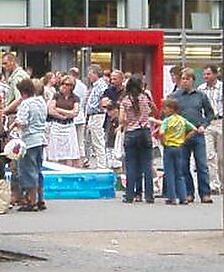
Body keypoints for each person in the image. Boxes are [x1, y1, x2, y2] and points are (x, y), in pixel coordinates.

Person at [169, 69, 214, 204]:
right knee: (183, 165)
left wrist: (204, 125)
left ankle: (205, 193)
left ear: (193, 80)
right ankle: (188, 192)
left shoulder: (201, 96)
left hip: (197, 133)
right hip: (181, 135)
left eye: (188, 79)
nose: (185, 81)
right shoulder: (174, 96)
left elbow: (210, 113)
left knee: (202, 164)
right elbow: (168, 115)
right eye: (183, 78)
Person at [11, 79, 47, 211]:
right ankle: (40, 199)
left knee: (27, 171)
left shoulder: (25, 104)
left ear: (23, 92)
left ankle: (31, 201)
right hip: (41, 139)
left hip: (29, 141)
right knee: (38, 170)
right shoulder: (41, 101)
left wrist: (15, 123)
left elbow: (23, 122)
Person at [118, 75, 156, 203]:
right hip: (145, 132)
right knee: (147, 165)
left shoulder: (125, 100)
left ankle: (130, 195)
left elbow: (121, 119)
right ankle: (149, 196)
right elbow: (152, 111)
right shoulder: (145, 98)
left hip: (131, 133)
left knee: (131, 165)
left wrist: (126, 122)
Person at [153, 97, 193, 204]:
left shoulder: (167, 121)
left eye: (164, 108)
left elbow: (161, 133)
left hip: (169, 147)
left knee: (169, 173)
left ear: (170, 109)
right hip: (179, 147)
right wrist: (184, 138)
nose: (163, 111)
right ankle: (183, 197)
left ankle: (172, 197)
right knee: (179, 174)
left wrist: (163, 141)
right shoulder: (181, 120)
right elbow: (193, 129)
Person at [197, 65, 224, 193]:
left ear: (215, 74)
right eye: (204, 74)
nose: (205, 77)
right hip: (208, 123)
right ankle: (214, 184)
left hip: (222, 121)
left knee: (222, 156)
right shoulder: (201, 89)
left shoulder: (223, 87)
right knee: (209, 156)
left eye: (208, 74)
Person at [46, 74, 82, 168]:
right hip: (57, 125)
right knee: (57, 152)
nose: (64, 86)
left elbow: (75, 113)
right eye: (63, 84)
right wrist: (62, 116)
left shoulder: (75, 97)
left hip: (69, 126)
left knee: (71, 152)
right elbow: (50, 110)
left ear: (72, 86)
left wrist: (59, 110)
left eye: (67, 84)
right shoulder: (56, 95)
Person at [83, 65, 110, 169]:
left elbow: (104, 98)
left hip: (97, 115)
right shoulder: (95, 86)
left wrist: (100, 106)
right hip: (92, 115)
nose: (89, 77)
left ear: (95, 74)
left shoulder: (101, 85)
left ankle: (101, 165)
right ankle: (92, 161)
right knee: (90, 140)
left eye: (90, 74)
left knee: (98, 140)